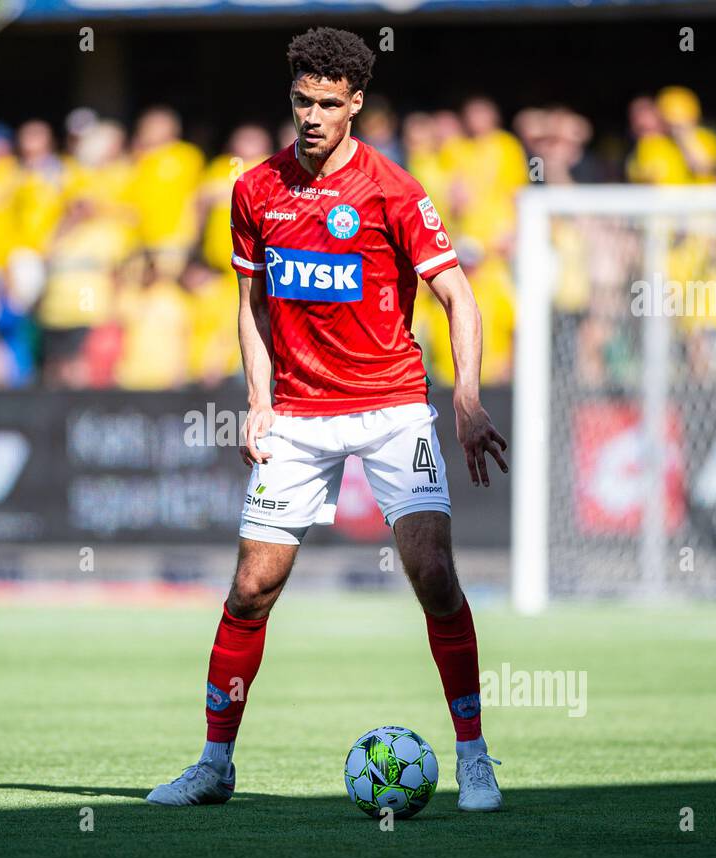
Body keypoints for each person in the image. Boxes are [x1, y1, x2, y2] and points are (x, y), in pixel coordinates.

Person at [146, 27, 508, 812]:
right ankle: (214, 763)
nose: (312, 116)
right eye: (301, 101)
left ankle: (475, 757)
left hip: (391, 408)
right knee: (251, 586)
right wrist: (258, 400)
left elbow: (458, 296)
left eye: (327, 104)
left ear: (356, 105)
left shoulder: (393, 190)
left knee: (435, 577)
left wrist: (468, 394)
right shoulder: (256, 190)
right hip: (301, 417)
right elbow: (249, 304)